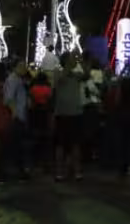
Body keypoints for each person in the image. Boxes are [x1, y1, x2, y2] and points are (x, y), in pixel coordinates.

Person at [52, 52, 85, 181]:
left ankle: (77, 171)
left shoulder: (76, 75)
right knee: (60, 145)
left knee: (76, 144)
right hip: (62, 113)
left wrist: (81, 62)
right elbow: (59, 81)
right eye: (71, 58)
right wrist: (69, 65)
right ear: (65, 61)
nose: (74, 60)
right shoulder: (58, 72)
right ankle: (60, 172)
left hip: (75, 114)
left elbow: (86, 75)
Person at [2, 62, 29, 179]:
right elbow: (9, 99)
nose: (25, 69)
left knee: (15, 145)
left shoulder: (17, 79)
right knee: (13, 145)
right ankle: (10, 171)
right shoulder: (14, 80)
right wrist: (15, 114)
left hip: (18, 116)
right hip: (16, 117)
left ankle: (15, 170)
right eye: (22, 67)